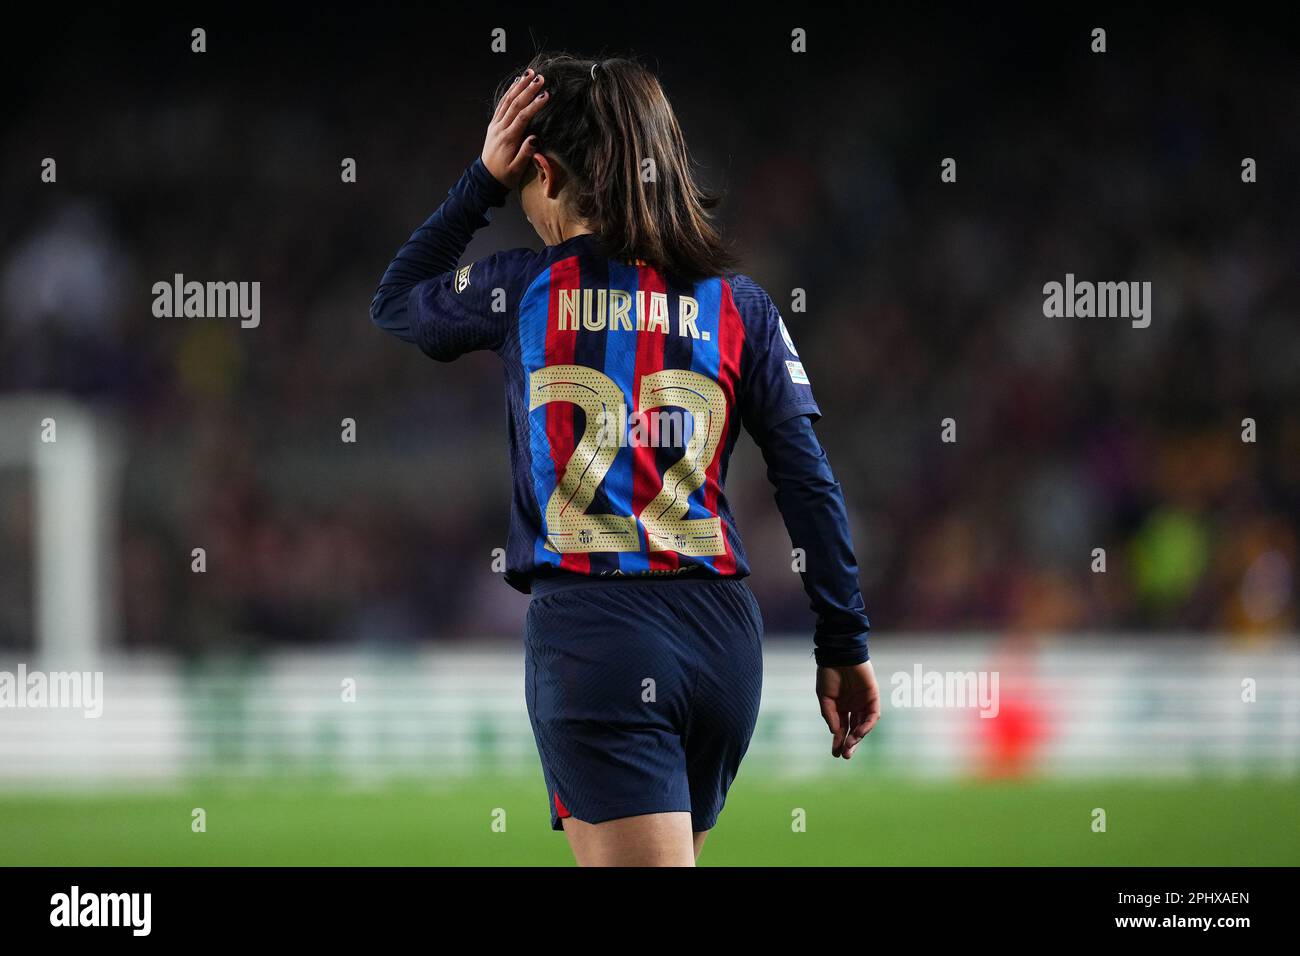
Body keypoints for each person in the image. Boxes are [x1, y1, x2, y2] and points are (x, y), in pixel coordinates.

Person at [371, 53, 880, 866]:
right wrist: (844, 640)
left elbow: (397, 301)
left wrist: (478, 183)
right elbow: (808, 480)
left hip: (597, 634)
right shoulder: (740, 303)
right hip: (722, 642)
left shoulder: (523, 286)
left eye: (524, 183)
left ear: (538, 167)